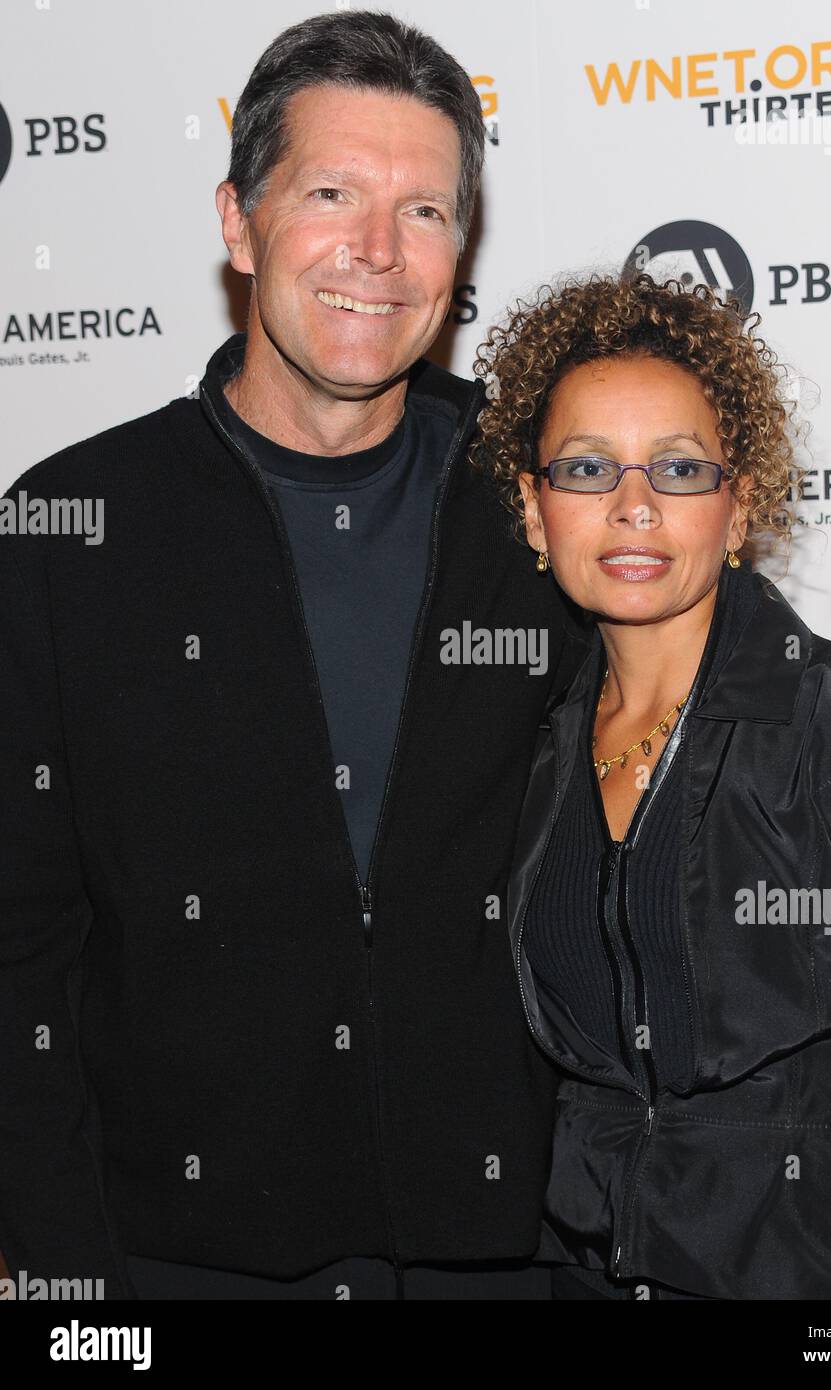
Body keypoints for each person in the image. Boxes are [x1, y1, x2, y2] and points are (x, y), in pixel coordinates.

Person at [0, 11, 590, 1300]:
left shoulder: (547, 498)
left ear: (461, 245)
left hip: (504, 1248)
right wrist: (61, 1277)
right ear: (238, 220)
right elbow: (20, 941)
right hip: (176, 1258)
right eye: (331, 193)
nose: (376, 253)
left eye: (425, 210)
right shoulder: (70, 527)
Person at [469, 270, 831, 1300]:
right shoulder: (525, 753)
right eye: (583, 468)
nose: (631, 506)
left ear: (738, 504)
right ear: (534, 512)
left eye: (677, 468)